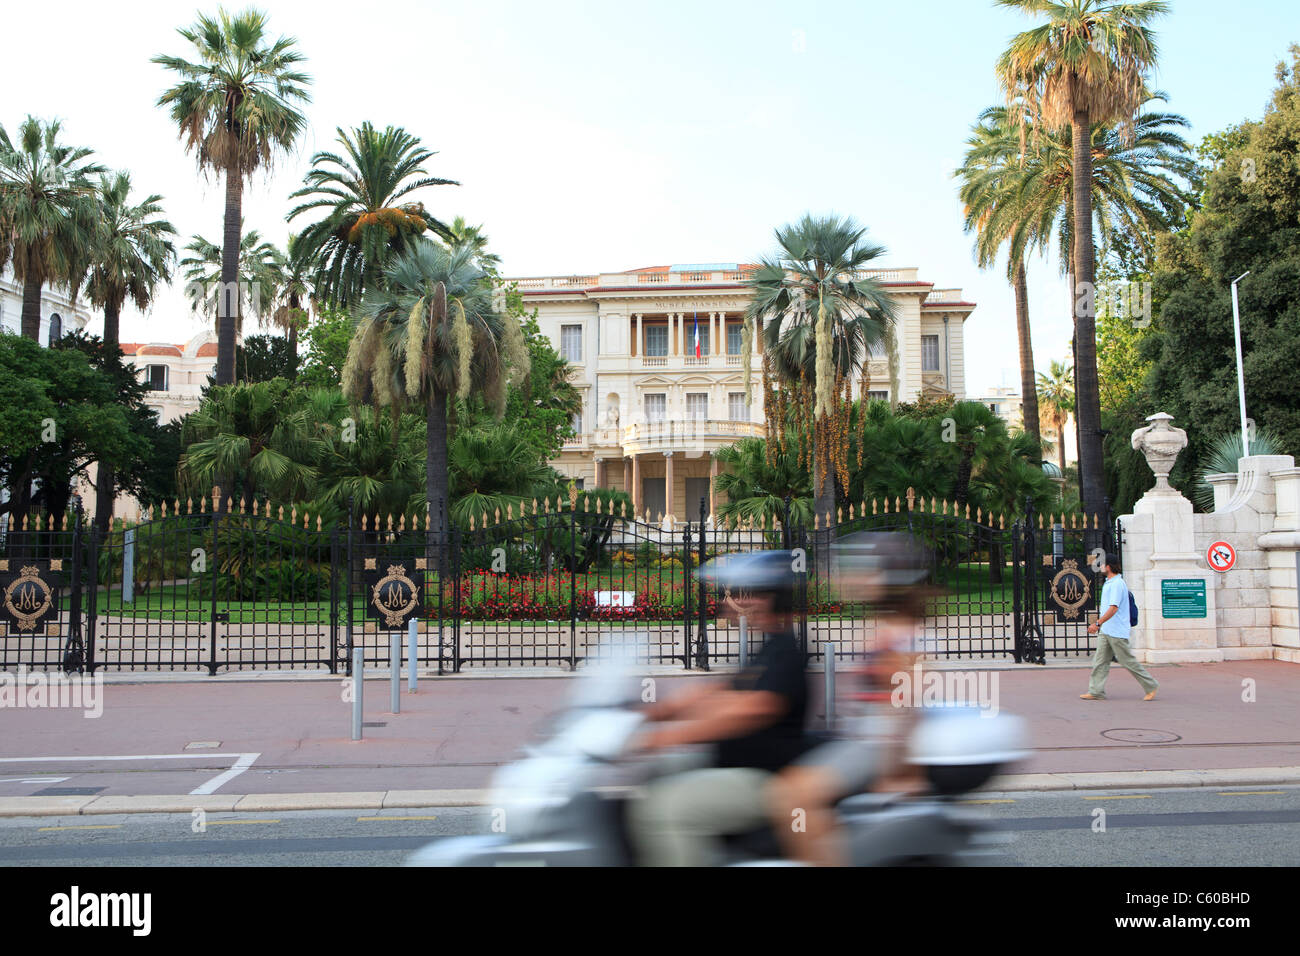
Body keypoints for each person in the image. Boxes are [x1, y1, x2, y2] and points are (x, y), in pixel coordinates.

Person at [627, 549, 811, 867]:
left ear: (763, 599)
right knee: (655, 775)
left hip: (767, 781)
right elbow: (715, 692)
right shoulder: (765, 651)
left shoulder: (786, 654)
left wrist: (662, 738)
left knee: (661, 808)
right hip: (734, 766)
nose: (727, 602)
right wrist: (649, 713)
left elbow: (751, 710)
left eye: (737, 593)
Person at [764, 531, 932, 866]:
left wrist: (900, 774)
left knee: (791, 798)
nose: (851, 576)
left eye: (863, 570)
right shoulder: (888, 627)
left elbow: (905, 710)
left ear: (888, 579)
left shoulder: (899, 638)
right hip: (858, 740)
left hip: (873, 748)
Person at [1081, 553, 1158, 701]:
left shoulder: (1117, 584)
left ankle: (1151, 685)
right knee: (1100, 661)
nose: (1100, 567)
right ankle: (1096, 691)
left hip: (1116, 630)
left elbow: (1113, 608)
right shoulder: (1109, 582)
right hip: (1107, 630)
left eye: (1102, 564)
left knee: (1127, 660)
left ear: (1108, 566)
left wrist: (1097, 623)